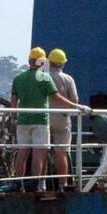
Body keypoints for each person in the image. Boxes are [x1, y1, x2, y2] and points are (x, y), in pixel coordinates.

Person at [8, 47, 90, 190]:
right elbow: (56, 97)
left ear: (29, 60)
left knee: (23, 152)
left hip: (23, 121)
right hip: (42, 121)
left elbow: (14, 102)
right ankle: (43, 184)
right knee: (42, 153)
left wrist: (14, 118)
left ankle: (21, 183)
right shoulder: (46, 78)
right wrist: (77, 107)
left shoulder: (18, 78)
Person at [47, 48, 78, 185]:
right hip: (62, 119)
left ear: (49, 62)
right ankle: (63, 183)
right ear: (63, 64)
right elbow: (75, 101)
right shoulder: (68, 79)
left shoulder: (43, 77)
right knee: (62, 152)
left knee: (41, 151)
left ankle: (41, 183)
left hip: (44, 118)